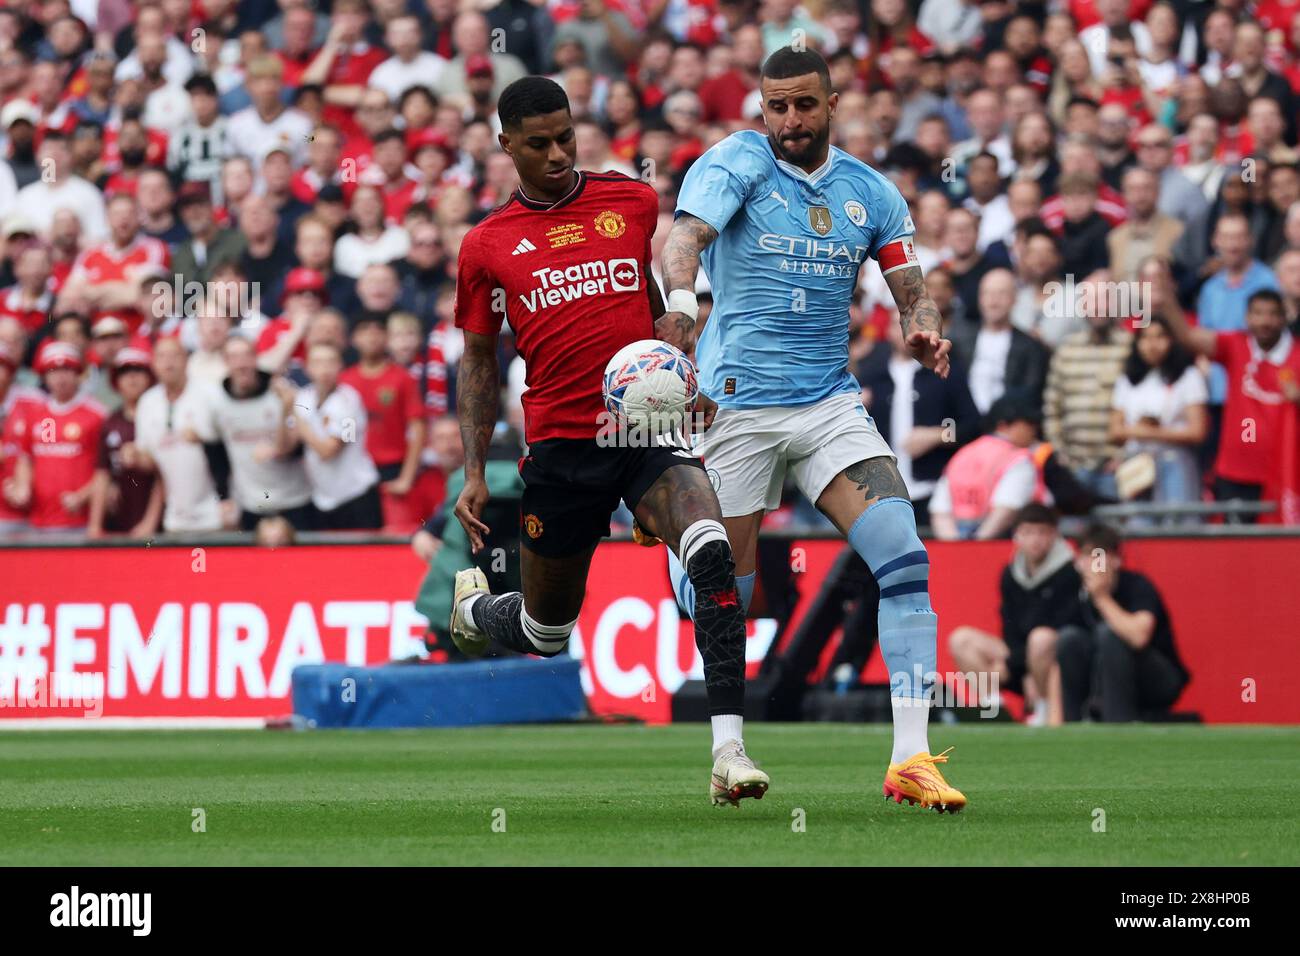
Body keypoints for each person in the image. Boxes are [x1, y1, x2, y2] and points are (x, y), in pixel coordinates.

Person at [657, 47, 965, 812]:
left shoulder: (871, 192)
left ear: (832, 101)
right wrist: (683, 312)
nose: (789, 121)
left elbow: (912, 289)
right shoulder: (734, 164)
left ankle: (910, 757)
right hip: (735, 407)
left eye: (803, 105)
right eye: (776, 107)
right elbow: (682, 240)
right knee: (723, 590)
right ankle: (727, 747)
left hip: (828, 404)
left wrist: (923, 327)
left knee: (904, 555)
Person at [448, 76, 770, 807]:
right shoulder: (486, 245)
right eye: (539, 144)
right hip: (560, 449)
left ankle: (729, 750)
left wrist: (679, 378)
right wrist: (474, 471)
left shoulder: (629, 201)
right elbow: (477, 360)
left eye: (566, 137)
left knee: (711, 549)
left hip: (644, 431)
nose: (559, 153)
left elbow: (645, 301)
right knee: (545, 630)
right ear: (506, 146)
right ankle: (473, 612)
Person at [1163, 289, 1300, 515]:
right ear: (1247, 317)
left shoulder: (1297, 353)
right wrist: (1166, 298)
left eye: (1272, 314)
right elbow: (1187, 337)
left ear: (1284, 318)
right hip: (1235, 472)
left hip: (1286, 473)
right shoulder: (1236, 345)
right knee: (1238, 547)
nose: (1265, 321)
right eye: (1258, 313)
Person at [948, 504, 1082, 725]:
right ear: (1017, 536)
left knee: (1041, 638)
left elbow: (1065, 627)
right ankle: (994, 707)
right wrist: (1016, 664)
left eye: (1042, 532)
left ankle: (1044, 708)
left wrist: (1018, 666)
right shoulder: (1011, 572)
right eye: (1028, 532)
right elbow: (1009, 625)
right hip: (1019, 658)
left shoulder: (1069, 572)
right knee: (961, 639)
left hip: (1053, 663)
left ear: (1054, 535)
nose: (1035, 540)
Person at [1051, 523, 1188, 723]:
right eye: (1086, 556)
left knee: (1110, 633)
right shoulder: (1071, 592)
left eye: (1099, 555)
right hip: (1097, 680)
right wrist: (1055, 723)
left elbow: (1139, 637)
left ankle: (1118, 723)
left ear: (1115, 559)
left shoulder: (1137, 585)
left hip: (1154, 678)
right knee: (1069, 638)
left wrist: (1101, 597)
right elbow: (1059, 660)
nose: (1092, 563)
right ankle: (1073, 726)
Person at [1108, 316, 1209, 519]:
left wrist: (1149, 432)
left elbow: (1198, 431)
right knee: (1138, 525)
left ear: (1172, 340)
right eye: (1145, 338)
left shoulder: (1188, 377)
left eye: (1160, 337)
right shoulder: (1128, 380)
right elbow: (1115, 431)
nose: (1152, 345)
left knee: (1178, 526)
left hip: (1175, 461)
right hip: (1137, 463)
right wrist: (1143, 432)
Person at [276, 342, 382, 530]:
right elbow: (286, 447)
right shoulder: (304, 397)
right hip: (322, 497)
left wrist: (295, 414)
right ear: (307, 367)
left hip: (356, 495)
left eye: (330, 362)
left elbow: (328, 451)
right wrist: (285, 410)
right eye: (317, 362)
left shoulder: (350, 400)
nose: (324, 369)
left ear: (340, 366)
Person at [929, 394, 1045, 541]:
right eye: (1028, 423)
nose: (1034, 430)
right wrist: (978, 544)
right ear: (1003, 425)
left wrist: (955, 545)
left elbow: (940, 510)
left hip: (955, 535)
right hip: (998, 542)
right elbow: (1006, 511)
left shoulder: (964, 453)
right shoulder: (1019, 458)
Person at [87, 347, 160, 538]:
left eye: (138, 371)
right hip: (118, 520)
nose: (132, 378)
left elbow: (165, 475)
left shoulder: (159, 418)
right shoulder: (110, 423)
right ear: (116, 381)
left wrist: (149, 522)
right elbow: (102, 474)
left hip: (155, 524)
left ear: (149, 378)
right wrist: (95, 525)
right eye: (125, 372)